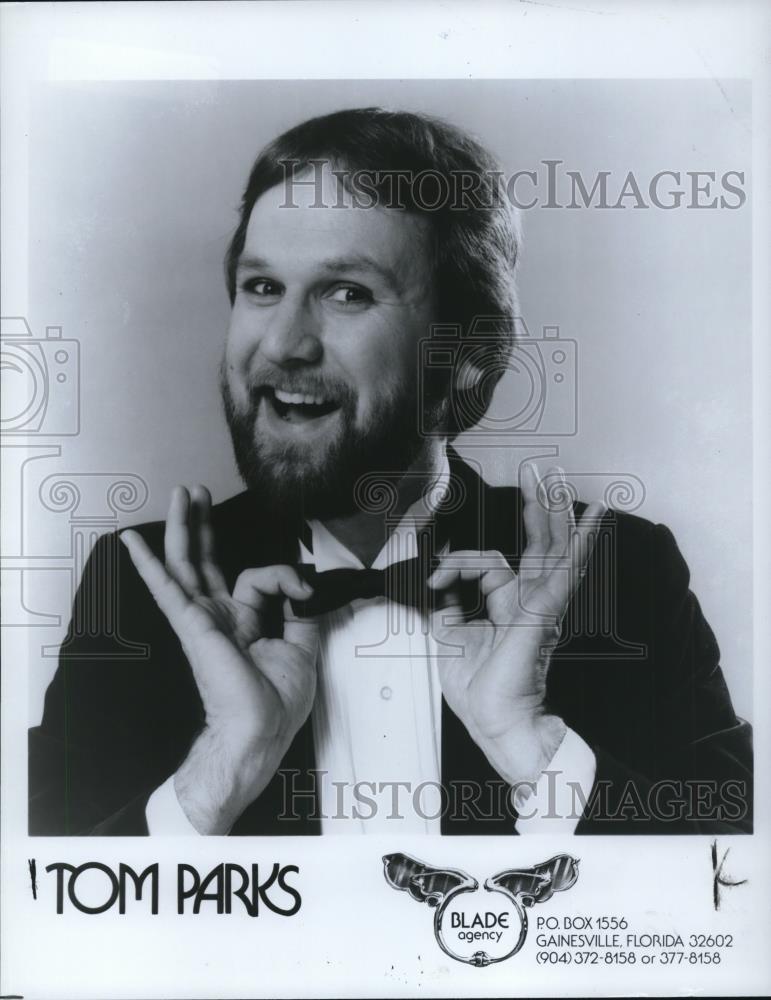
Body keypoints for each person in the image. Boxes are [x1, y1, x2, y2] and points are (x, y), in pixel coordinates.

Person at [29, 108, 752, 836]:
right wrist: (218, 773)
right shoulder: (139, 588)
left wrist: (533, 750)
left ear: (468, 348)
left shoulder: (623, 571)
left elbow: (737, 909)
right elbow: (41, 919)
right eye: (261, 287)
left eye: (348, 293)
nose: (281, 345)